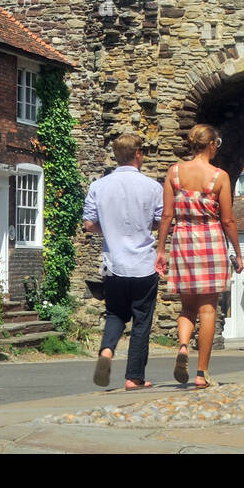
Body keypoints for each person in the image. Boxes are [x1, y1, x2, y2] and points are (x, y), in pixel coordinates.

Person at [156, 124, 243, 388]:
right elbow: (227, 220)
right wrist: (238, 253)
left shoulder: (174, 172)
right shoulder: (219, 177)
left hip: (183, 240)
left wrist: (161, 249)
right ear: (212, 144)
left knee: (187, 307)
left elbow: (167, 215)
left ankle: (183, 346)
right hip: (211, 240)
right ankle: (201, 373)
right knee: (208, 310)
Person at [82, 134, 163, 390]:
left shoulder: (99, 186)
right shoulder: (153, 187)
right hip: (143, 264)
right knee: (141, 321)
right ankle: (134, 377)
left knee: (116, 313)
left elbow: (88, 224)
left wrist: (110, 228)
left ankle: (106, 351)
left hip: (113, 263)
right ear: (138, 154)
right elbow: (161, 222)